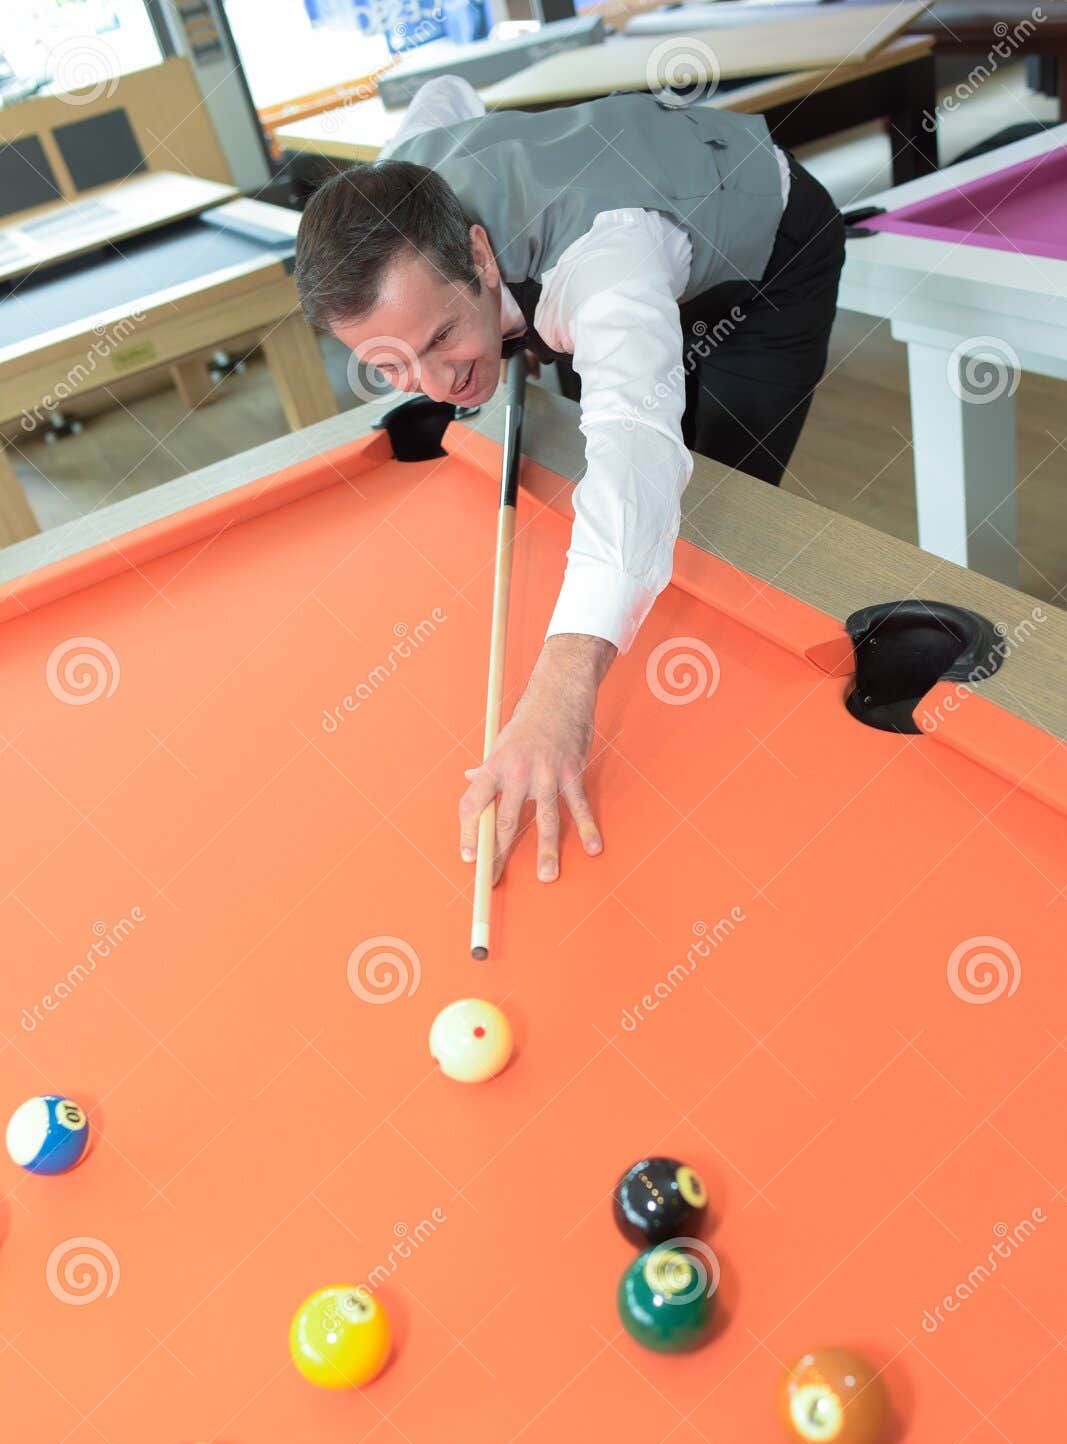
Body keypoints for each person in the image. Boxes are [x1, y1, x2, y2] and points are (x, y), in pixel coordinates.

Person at [295, 76, 845, 883]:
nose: (437, 383)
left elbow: (632, 442)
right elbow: (448, 92)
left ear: (480, 256)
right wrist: (462, 335)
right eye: (390, 362)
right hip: (591, 276)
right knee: (633, 518)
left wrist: (557, 689)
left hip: (762, 257)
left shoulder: (607, 264)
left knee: (712, 502)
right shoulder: (394, 185)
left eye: (443, 335)